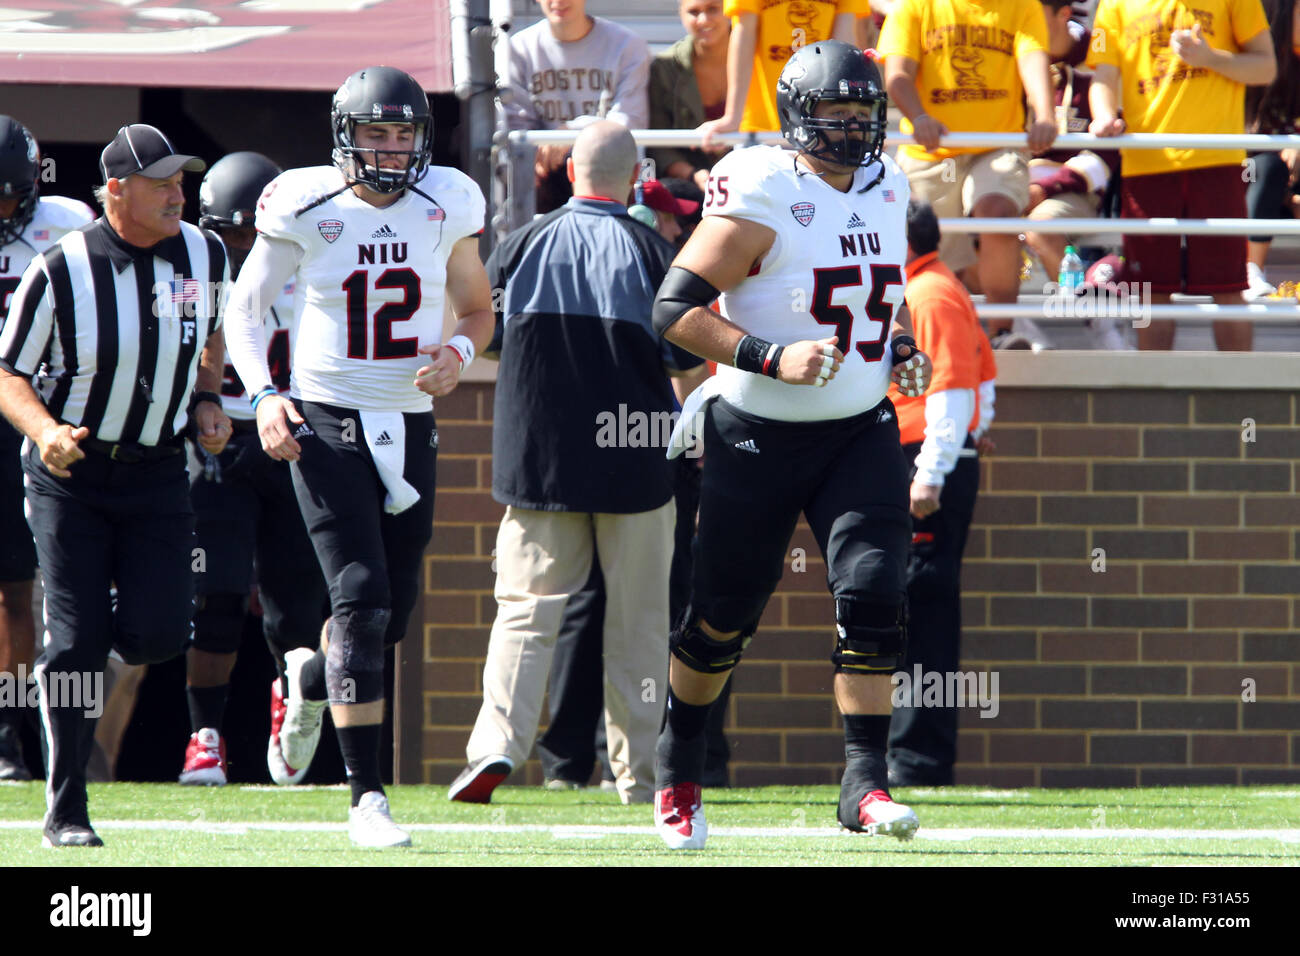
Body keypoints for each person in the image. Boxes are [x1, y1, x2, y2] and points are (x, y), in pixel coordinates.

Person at [649, 40, 932, 850]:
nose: (851, 131)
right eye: (834, 115)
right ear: (798, 118)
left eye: (862, 114)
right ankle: (679, 765)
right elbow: (673, 311)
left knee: (877, 596)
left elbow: (879, 296)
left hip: (860, 430)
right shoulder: (765, 188)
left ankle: (864, 787)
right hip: (756, 434)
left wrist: (900, 346)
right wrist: (775, 357)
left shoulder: (889, 185)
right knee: (721, 620)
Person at [224, 66, 494, 847]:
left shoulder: (449, 202)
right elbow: (245, 311)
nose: (389, 148)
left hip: (409, 419)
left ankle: (309, 675)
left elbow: (477, 307)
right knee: (362, 598)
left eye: (402, 132)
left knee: (390, 617)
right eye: (374, 133)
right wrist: (268, 395)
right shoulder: (305, 202)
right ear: (345, 138)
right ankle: (365, 798)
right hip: (325, 413)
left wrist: (457, 349)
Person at [450, 121, 705, 807]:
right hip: (638, 471)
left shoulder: (522, 244)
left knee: (525, 615)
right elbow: (687, 359)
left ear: (570, 174)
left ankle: (494, 748)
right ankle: (642, 776)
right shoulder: (654, 253)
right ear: (633, 180)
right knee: (641, 629)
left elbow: (487, 335)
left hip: (540, 465)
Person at [0, 123, 232, 848]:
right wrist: (45, 433)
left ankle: (99, 626)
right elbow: (7, 372)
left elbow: (210, 337)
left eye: (183, 181)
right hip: (72, 474)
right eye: (162, 183)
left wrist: (206, 403)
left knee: (160, 634)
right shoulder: (60, 267)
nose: (178, 194)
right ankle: (66, 808)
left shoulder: (205, 250)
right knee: (72, 644)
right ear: (116, 191)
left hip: (160, 469)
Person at [177, 151, 330, 787]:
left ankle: (286, 701)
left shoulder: (313, 265)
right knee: (214, 596)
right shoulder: (192, 274)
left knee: (294, 606)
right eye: (230, 233)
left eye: (251, 232)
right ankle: (204, 737)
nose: (241, 245)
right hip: (219, 444)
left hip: (292, 439)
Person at [1088, 0, 1275, 350]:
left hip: (1216, 161)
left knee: (1229, 287)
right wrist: (1102, 115)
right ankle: (1157, 399)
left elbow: (1266, 67)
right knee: (1153, 293)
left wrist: (1211, 58)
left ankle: (1243, 397)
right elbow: (1103, 75)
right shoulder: (1112, 5)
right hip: (1146, 164)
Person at [886, 200, 995, 787]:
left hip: (924, 462)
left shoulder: (927, 294)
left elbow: (951, 388)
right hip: (930, 456)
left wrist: (931, 471)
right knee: (918, 606)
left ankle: (917, 757)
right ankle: (912, 753)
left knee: (920, 607)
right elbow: (986, 382)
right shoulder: (933, 286)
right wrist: (968, 438)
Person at [0, 115, 95, 782]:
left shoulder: (66, 222)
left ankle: (10, 733)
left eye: (7, 195)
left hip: (33, 416)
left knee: (18, 587)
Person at [878, 0, 1058, 341]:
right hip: (930, 150)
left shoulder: (1023, 7)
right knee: (926, 249)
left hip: (996, 145)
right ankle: (923, 339)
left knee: (997, 214)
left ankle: (1003, 332)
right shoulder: (915, 7)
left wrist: (1046, 115)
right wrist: (918, 116)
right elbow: (897, 76)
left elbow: (1033, 61)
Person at [503, 0, 651, 215]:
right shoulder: (518, 49)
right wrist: (542, 149)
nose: (558, 1)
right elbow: (515, 126)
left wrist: (571, 133)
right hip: (547, 176)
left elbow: (629, 121)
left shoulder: (627, 45)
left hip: (612, 171)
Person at [698, 0, 864, 144]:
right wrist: (733, 117)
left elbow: (841, 49)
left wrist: (840, 114)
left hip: (820, 126)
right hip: (761, 127)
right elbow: (743, 33)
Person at [1243, 0, 1300, 298]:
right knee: (1268, 168)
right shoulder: (1255, 62)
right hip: (1252, 174)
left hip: (1292, 178)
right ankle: (1252, 270)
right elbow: (1247, 132)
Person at [647, 0, 732, 192]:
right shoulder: (664, 67)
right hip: (693, 181)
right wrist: (695, 175)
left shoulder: (760, 56)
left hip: (754, 170)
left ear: (729, 8)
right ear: (681, 14)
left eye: (712, 9)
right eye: (694, 12)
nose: (703, 20)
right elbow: (658, 143)